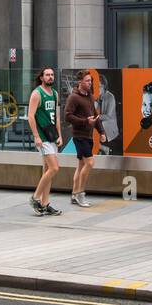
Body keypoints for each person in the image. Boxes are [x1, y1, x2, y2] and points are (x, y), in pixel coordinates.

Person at [26, 67, 62, 216]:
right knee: (54, 168)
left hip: (52, 136)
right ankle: (35, 198)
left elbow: (57, 116)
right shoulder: (37, 93)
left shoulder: (54, 94)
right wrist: (36, 136)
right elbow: (30, 116)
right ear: (41, 77)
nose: (50, 77)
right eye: (47, 75)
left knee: (48, 171)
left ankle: (45, 203)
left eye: (52, 75)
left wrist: (59, 135)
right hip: (42, 137)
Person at [64, 71, 99, 207]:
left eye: (90, 81)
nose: (90, 83)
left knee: (81, 165)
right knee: (89, 163)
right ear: (80, 82)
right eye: (87, 81)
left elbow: (95, 116)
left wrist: (101, 131)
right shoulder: (73, 97)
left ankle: (74, 195)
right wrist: (85, 121)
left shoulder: (90, 97)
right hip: (79, 136)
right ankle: (80, 194)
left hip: (88, 136)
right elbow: (67, 116)